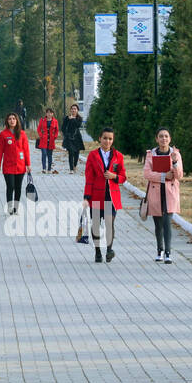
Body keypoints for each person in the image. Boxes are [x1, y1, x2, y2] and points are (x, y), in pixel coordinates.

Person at [83, 126, 126, 263]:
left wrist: (114, 176)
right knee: (96, 224)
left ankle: (109, 250)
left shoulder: (118, 156)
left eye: (110, 139)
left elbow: (123, 177)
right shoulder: (93, 156)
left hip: (111, 196)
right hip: (96, 195)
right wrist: (86, 196)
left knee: (109, 223)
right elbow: (89, 177)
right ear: (100, 139)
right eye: (105, 138)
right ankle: (97, 251)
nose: (107, 141)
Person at [142, 129, 184, 264]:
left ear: (170, 139)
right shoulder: (151, 154)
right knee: (158, 224)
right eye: (161, 136)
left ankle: (168, 252)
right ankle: (159, 250)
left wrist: (175, 162)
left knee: (167, 222)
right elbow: (147, 174)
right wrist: (163, 176)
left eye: (166, 136)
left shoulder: (175, 154)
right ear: (156, 139)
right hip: (155, 193)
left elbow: (179, 176)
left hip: (170, 193)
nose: (163, 139)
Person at [0, 112, 31, 214]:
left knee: (18, 187)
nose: (12, 120)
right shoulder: (3, 134)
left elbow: (26, 150)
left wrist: (28, 164)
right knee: (10, 186)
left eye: (14, 118)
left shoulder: (22, 134)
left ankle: (16, 207)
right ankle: (10, 207)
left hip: (20, 165)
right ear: (7, 121)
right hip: (8, 165)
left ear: (17, 120)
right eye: (10, 119)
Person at [61, 103, 85, 173]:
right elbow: (63, 127)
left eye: (75, 109)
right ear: (70, 110)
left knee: (76, 153)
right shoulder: (66, 118)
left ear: (77, 110)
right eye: (72, 109)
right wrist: (65, 135)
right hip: (69, 138)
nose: (73, 110)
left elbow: (78, 125)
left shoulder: (79, 118)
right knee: (71, 152)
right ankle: (71, 169)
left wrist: (73, 119)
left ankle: (75, 165)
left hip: (77, 137)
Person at [36, 107, 59, 174]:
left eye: (50, 113)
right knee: (44, 153)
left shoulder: (55, 121)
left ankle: (49, 168)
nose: (49, 114)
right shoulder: (42, 120)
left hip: (51, 140)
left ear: (52, 114)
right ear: (46, 113)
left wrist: (55, 136)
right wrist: (41, 135)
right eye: (48, 112)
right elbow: (39, 129)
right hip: (43, 140)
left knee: (49, 155)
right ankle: (44, 168)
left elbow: (57, 130)